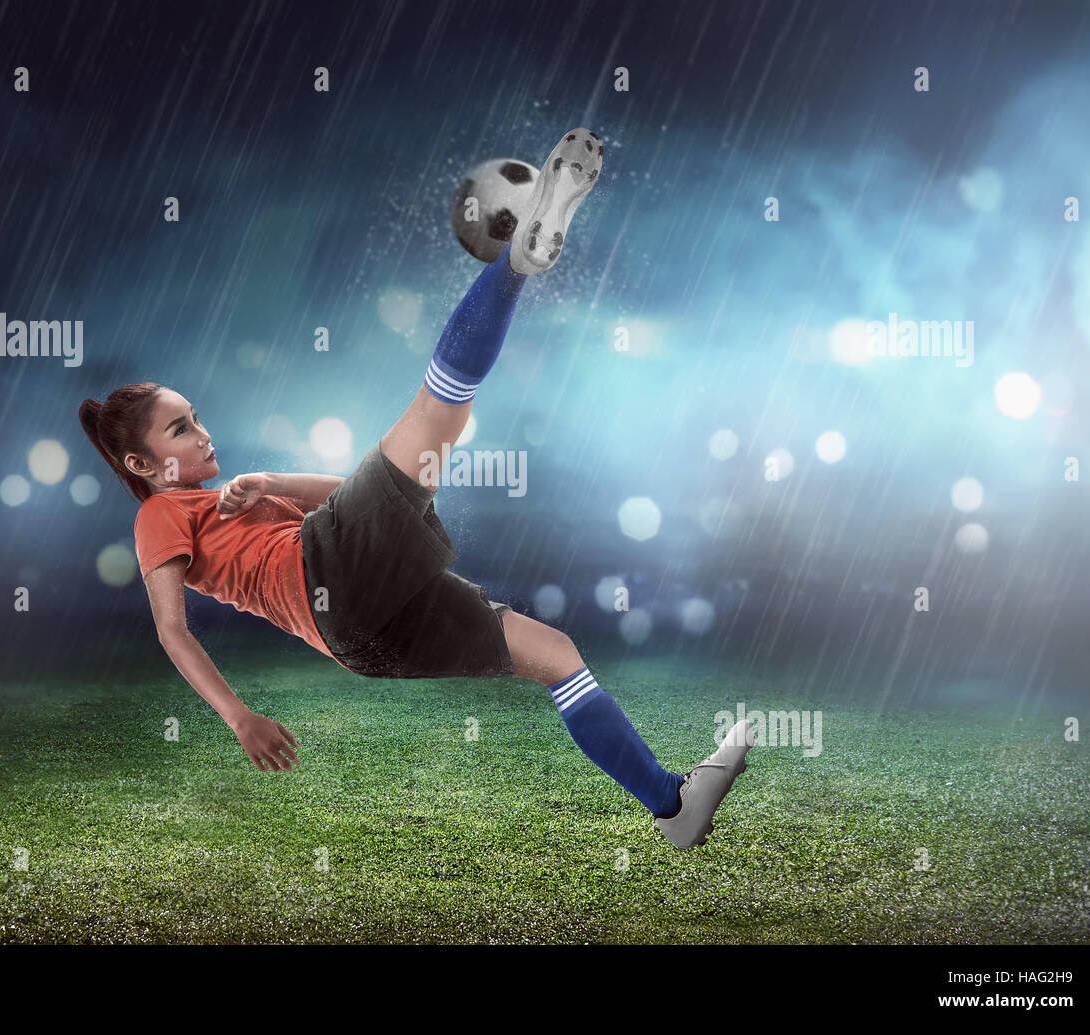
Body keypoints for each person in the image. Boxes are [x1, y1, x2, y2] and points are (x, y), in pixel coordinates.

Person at [78, 127, 752, 849]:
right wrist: (239, 715)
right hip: (325, 572)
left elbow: (366, 493)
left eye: (196, 417)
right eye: (180, 429)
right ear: (144, 467)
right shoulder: (160, 516)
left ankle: (671, 807)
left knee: (554, 654)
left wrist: (272, 481)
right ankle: (519, 262)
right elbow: (172, 630)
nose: (201, 433)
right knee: (440, 408)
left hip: (360, 638)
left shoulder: (232, 500)